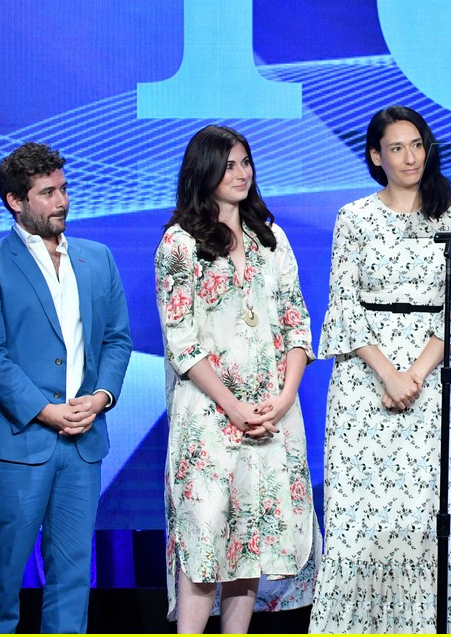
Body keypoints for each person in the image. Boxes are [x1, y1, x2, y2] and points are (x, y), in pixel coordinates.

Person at [308, 105, 451, 634]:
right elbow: (343, 304)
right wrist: (388, 373)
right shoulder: (354, 217)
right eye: (396, 148)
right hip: (365, 378)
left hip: (428, 380)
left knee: (425, 520)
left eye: (417, 145)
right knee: (360, 522)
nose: (409, 157)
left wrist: (417, 373)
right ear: (375, 157)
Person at [0, 142, 132, 633]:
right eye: (47, 192)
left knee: (74, 573)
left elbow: (117, 339)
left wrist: (101, 399)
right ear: (16, 201)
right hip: (17, 442)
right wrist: (44, 410)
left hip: (83, 441)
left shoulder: (97, 258)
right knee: (2, 571)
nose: (62, 201)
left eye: (64, 189)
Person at [155, 125, 316, 633]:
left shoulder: (272, 238)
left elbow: (296, 321)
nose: (241, 173)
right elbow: (182, 342)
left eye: (245, 162)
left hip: (272, 418)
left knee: (252, 544)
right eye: (228, 165)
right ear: (204, 172)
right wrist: (234, 407)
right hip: (209, 420)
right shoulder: (179, 245)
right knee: (205, 546)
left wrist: (285, 397)